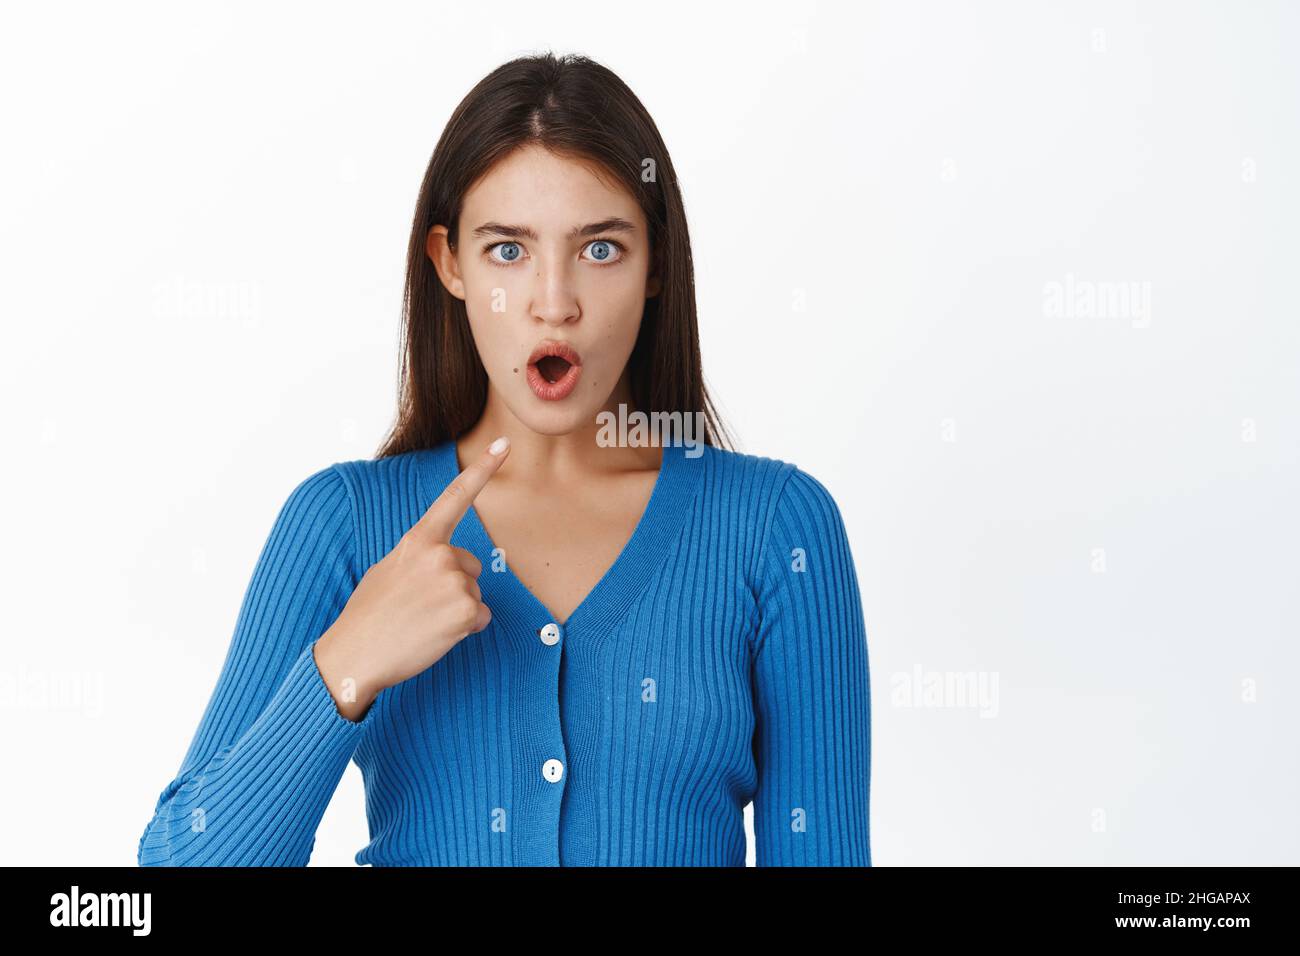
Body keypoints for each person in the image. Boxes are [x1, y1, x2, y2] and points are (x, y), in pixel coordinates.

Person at [138, 51, 872, 867]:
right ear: (450, 263)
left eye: (600, 249)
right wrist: (346, 664)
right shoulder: (344, 524)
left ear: (657, 262)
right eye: (507, 251)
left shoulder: (775, 530)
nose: (553, 303)